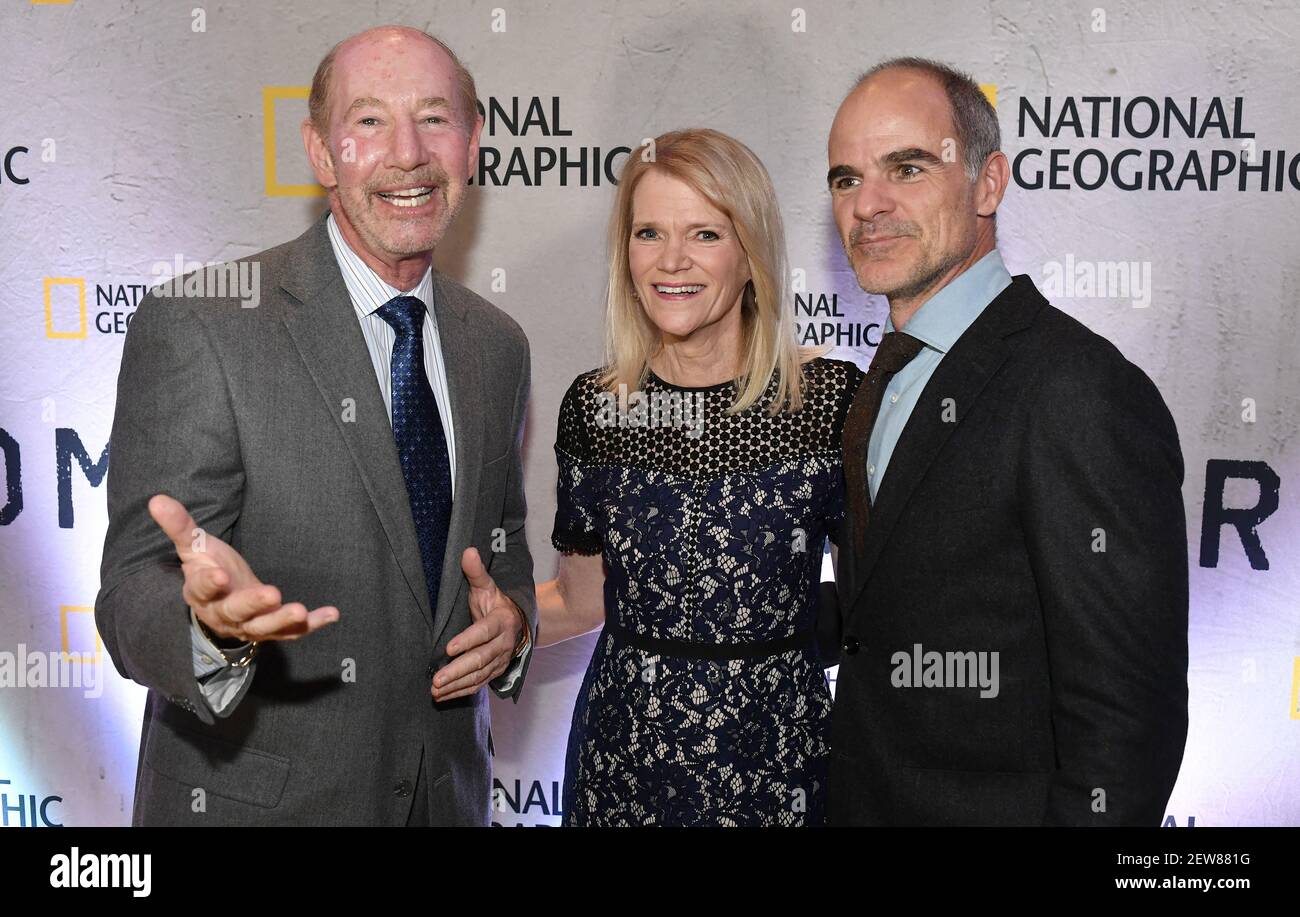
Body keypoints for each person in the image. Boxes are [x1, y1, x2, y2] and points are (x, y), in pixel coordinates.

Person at [95, 26, 536, 826]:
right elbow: (132, 591)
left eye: (435, 118)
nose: (408, 153)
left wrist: (511, 625)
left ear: (473, 144)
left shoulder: (497, 346)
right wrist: (209, 629)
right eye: (369, 121)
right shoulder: (204, 323)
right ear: (321, 152)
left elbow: (501, 542)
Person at [824, 57, 1188, 825]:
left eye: (908, 167)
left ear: (989, 183)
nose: (869, 205)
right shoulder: (886, 378)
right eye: (846, 179)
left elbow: (1127, 723)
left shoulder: (1077, 390)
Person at [535, 128, 863, 826]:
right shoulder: (598, 408)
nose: (671, 260)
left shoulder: (827, 404)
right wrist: (447, 622)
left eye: (705, 234)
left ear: (751, 254)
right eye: (649, 232)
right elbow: (581, 601)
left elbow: (881, 605)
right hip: (620, 772)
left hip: (782, 770)